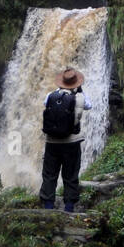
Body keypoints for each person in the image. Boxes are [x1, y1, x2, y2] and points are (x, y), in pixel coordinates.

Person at [39, 66, 92, 212]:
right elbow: (89, 105)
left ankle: (48, 205)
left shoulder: (51, 95)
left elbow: (45, 104)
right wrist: (79, 91)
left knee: (50, 173)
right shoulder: (81, 97)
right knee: (70, 174)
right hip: (72, 142)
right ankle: (69, 207)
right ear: (77, 83)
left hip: (52, 141)